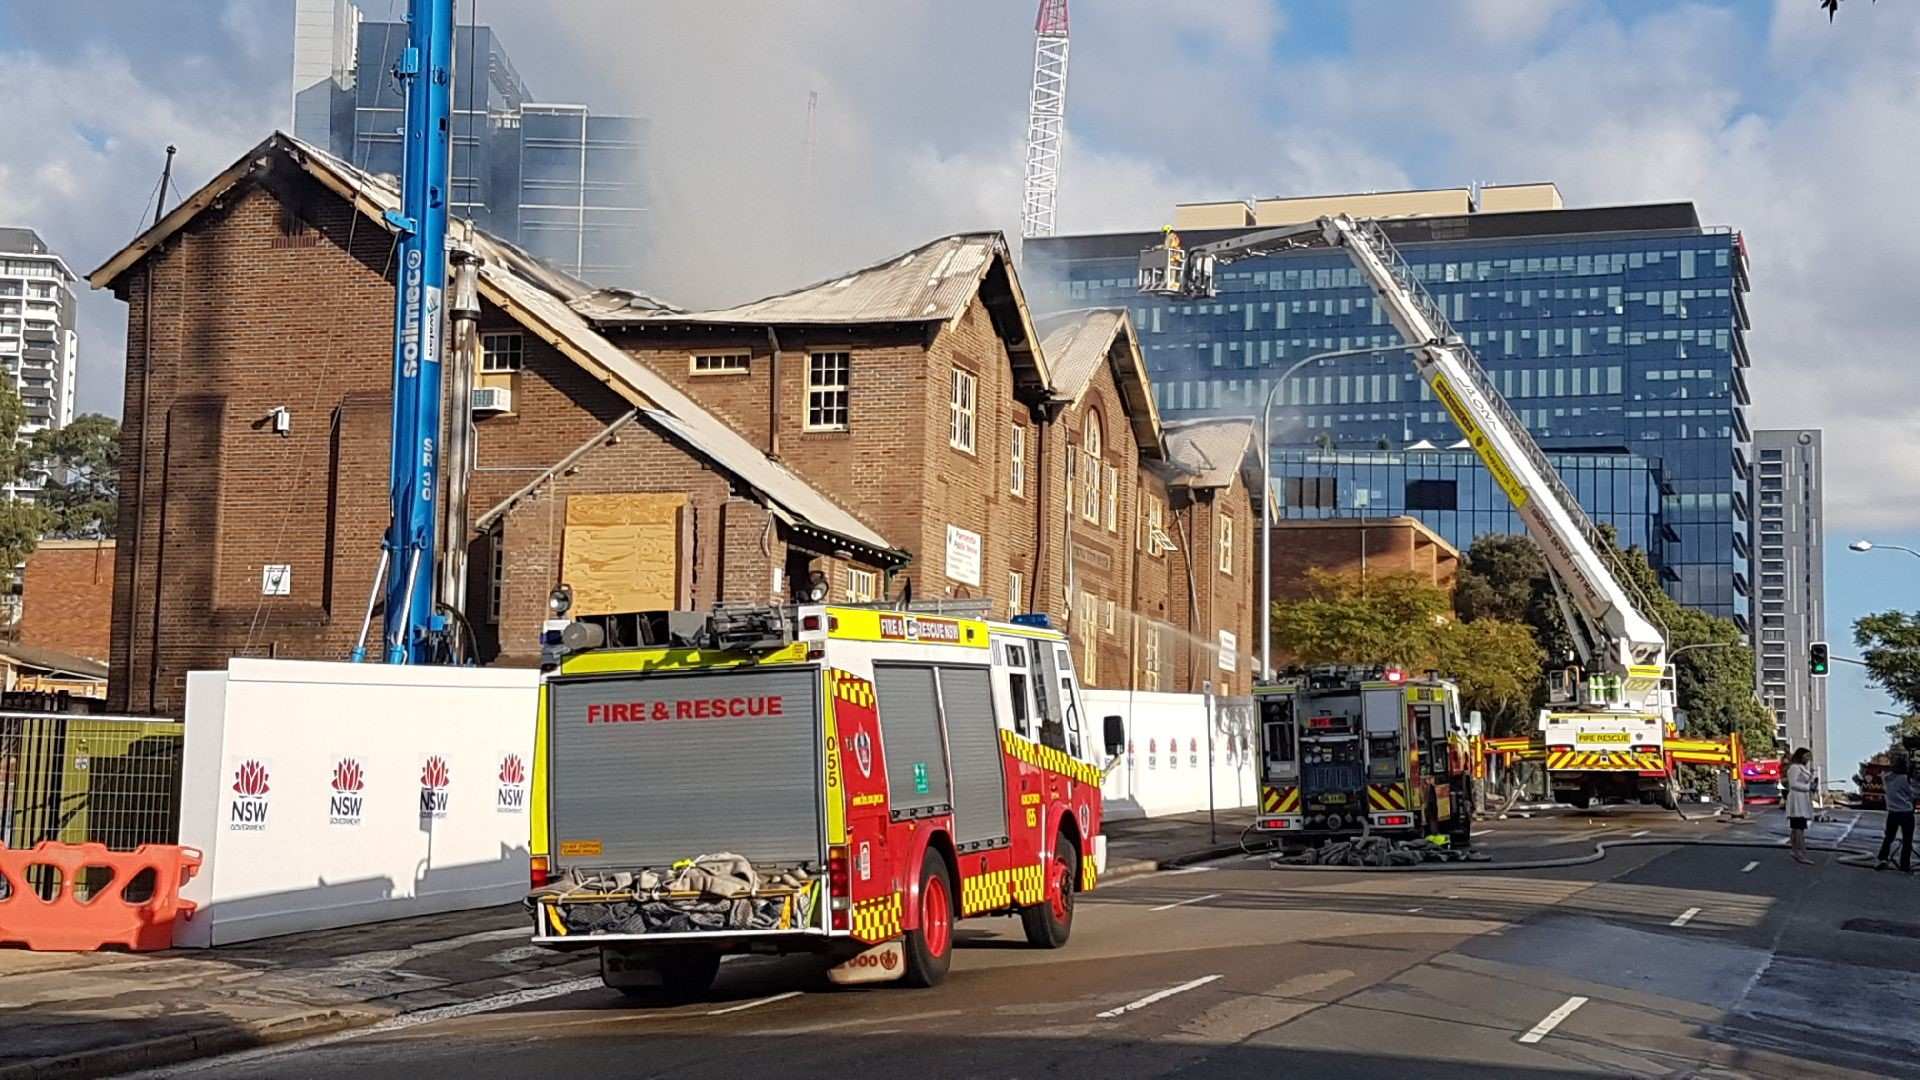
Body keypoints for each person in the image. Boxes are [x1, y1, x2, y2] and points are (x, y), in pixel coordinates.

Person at [1877, 751, 1914, 873]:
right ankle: (1905, 865)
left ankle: (1882, 858)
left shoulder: (1887, 778)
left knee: (1889, 837)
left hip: (1892, 812)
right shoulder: (1905, 779)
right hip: (1906, 813)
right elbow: (1912, 793)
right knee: (1907, 840)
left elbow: (1885, 784)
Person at [1786, 748, 1816, 865]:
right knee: (1798, 827)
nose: (1808, 759)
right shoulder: (1794, 768)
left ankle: (1795, 850)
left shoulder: (1803, 768)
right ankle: (1800, 853)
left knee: (1797, 828)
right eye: (1806, 756)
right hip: (1797, 800)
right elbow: (1793, 784)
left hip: (1802, 799)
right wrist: (1808, 787)